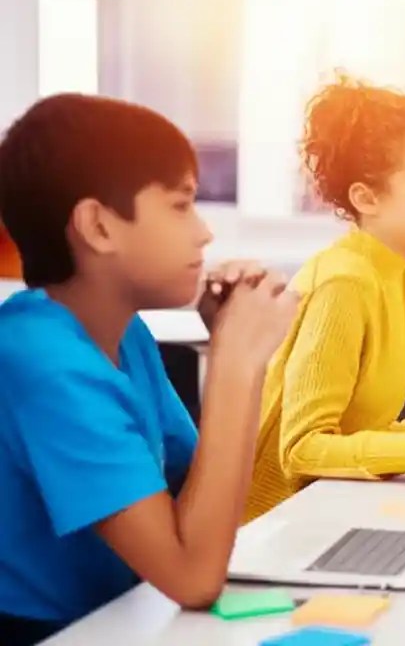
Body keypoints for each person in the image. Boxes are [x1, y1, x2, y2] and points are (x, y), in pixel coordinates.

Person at [0, 94, 297, 644]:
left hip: (119, 622)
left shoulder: (125, 335)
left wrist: (237, 350)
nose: (204, 232)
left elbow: (199, 506)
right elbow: (192, 577)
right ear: (99, 226)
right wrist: (235, 363)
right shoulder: (41, 359)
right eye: (181, 205)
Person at [245, 77, 405, 522]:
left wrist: (403, 443)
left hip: (346, 502)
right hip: (279, 523)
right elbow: (301, 450)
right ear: (366, 198)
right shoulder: (343, 285)